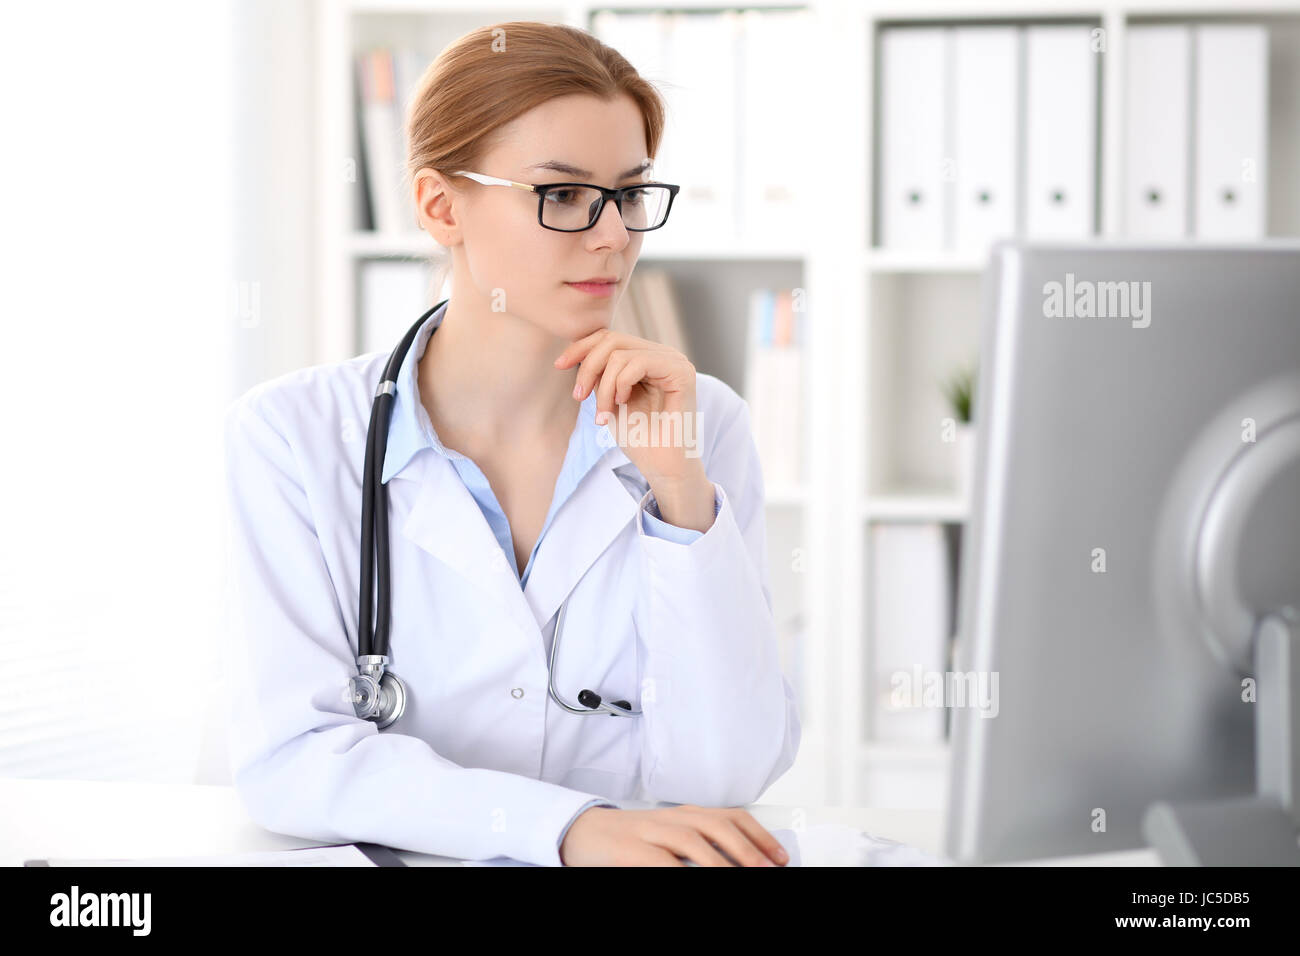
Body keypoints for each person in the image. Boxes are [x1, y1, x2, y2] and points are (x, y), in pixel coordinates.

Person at [222, 20, 799, 867]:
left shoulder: (702, 422)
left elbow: (727, 777)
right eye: (561, 196)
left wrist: (679, 495)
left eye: (629, 194)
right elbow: (293, 758)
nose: (614, 236)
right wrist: (566, 830)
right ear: (439, 205)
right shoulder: (294, 436)